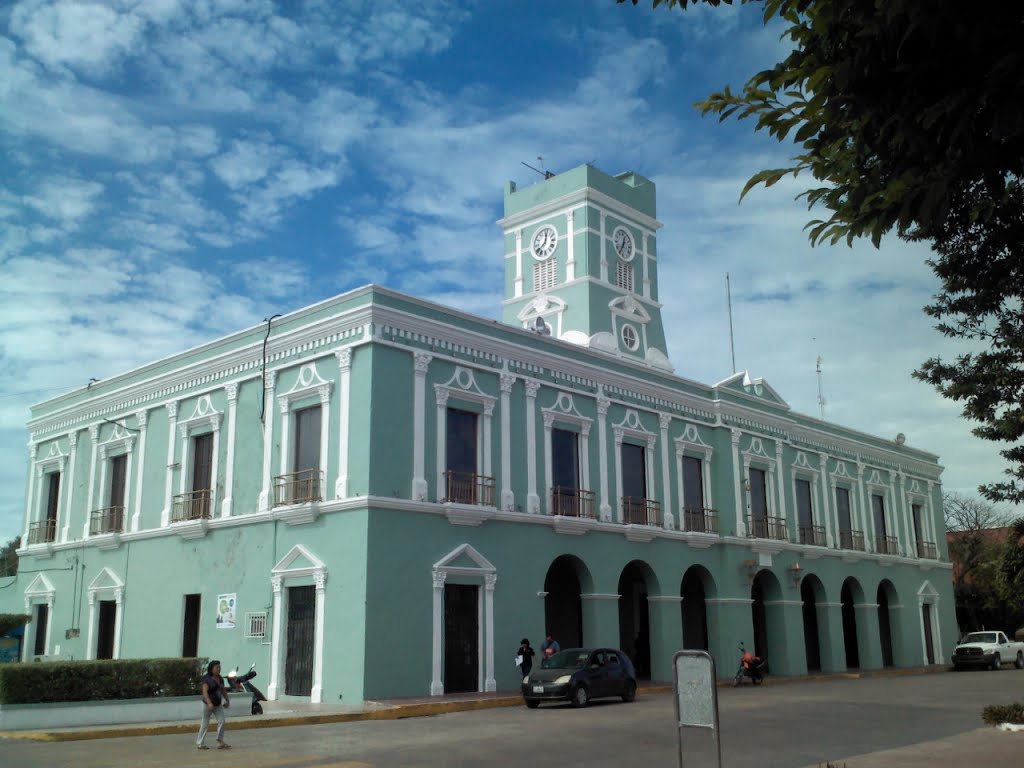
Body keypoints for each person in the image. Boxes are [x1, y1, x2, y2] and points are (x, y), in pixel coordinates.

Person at [197, 659, 230, 750]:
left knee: (222, 720)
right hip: (207, 704)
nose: (219, 669)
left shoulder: (220, 678)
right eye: (217, 667)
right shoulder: (207, 679)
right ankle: (200, 743)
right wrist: (209, 703)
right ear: (212, 669)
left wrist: (227, 700)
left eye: (219, 667)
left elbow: (223, 690)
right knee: (205, 723)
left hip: (218, 704)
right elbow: (205, 692)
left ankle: (220, 740)